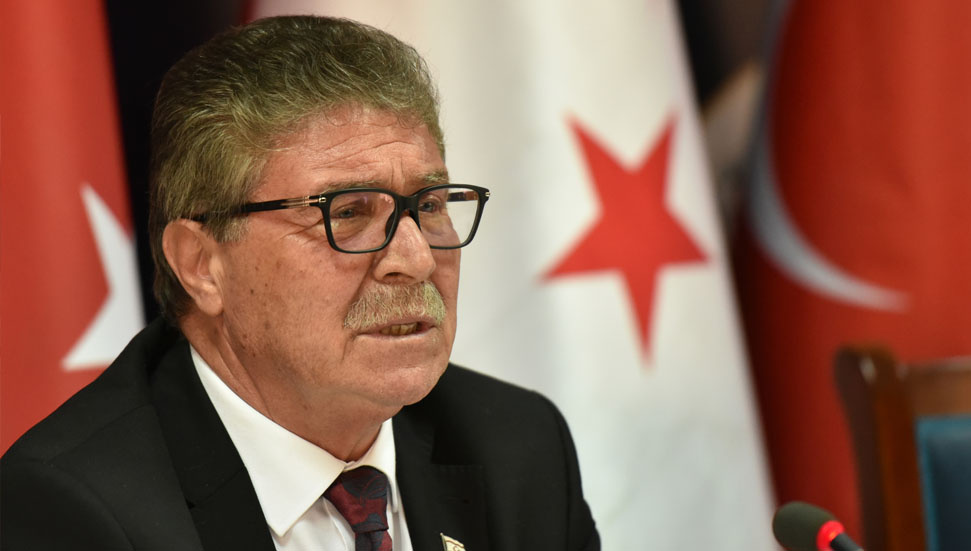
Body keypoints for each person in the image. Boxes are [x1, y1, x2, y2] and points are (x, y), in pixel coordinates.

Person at [0, 15, 600, 551]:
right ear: (202, 264)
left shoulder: (517, 448)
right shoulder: (75, 511)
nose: (415, 258)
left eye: (430, 204)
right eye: (348, 212)